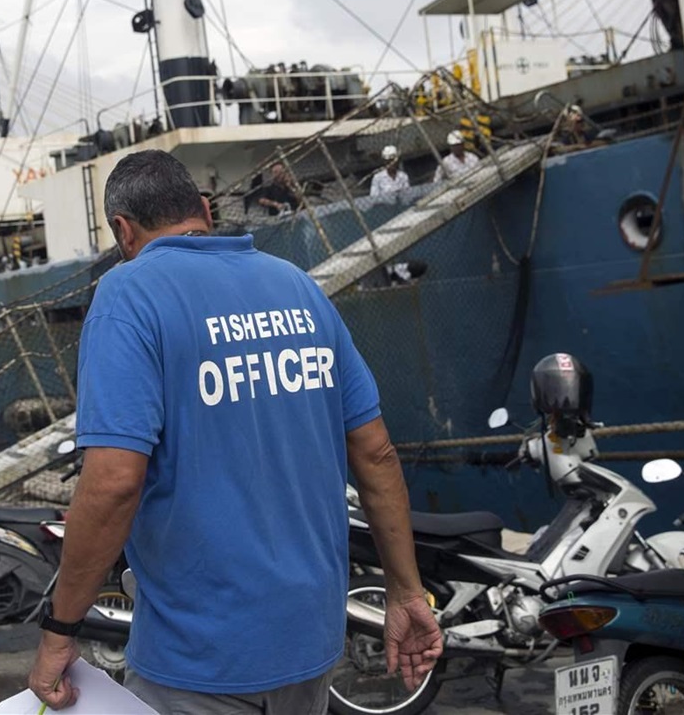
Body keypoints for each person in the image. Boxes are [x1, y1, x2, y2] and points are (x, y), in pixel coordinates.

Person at [28, 150, 441, 713]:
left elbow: (114, 483)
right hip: (310, 644)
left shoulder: (128, 296)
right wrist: (406, 592)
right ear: (204, 210)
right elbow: (376, 454)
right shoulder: (298, 289)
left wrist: (59, 630)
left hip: (200, 658)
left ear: (122, 231)